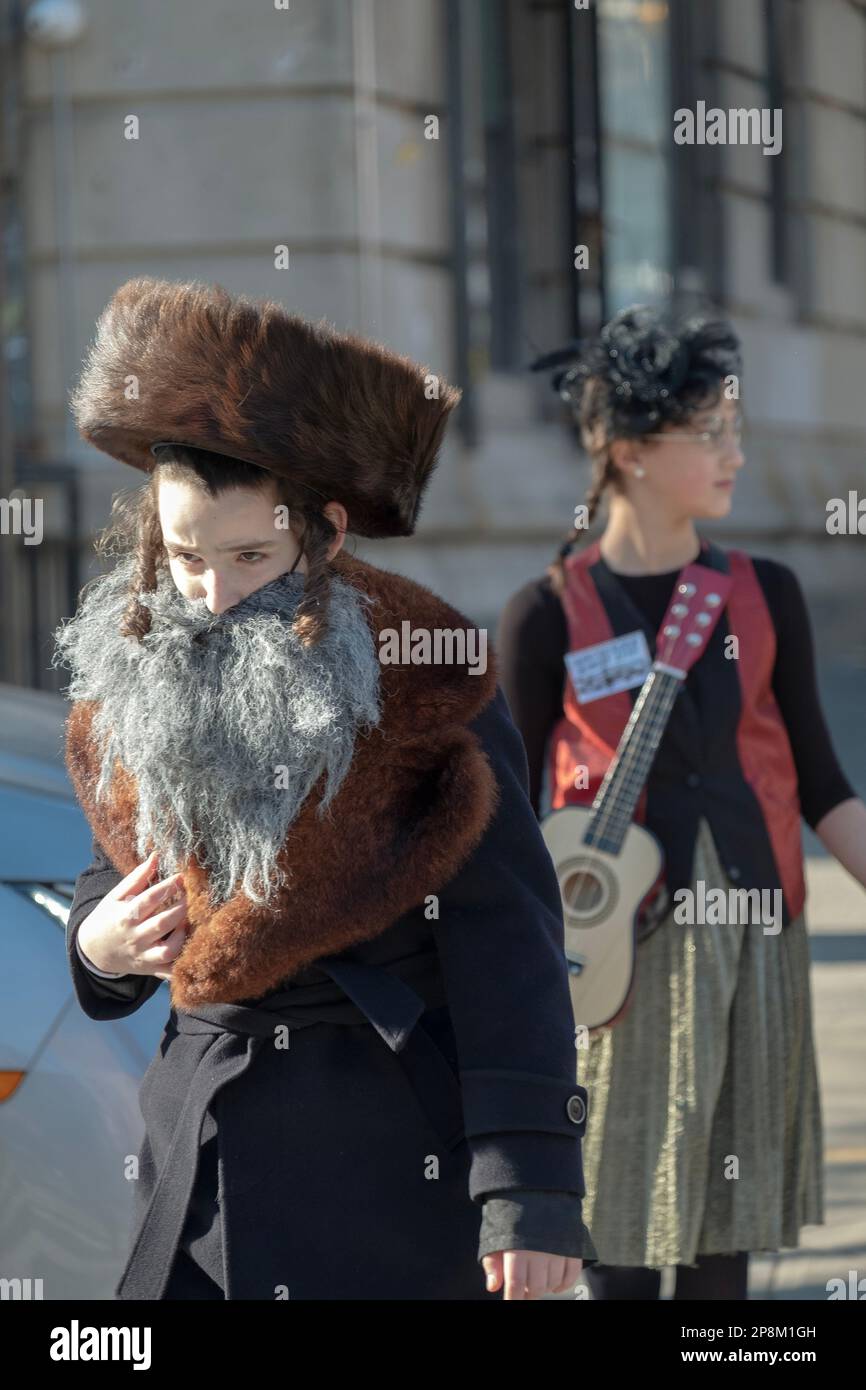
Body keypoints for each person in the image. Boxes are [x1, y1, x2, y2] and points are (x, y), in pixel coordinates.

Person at [52, 275, 600, 1302]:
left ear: (324, 532)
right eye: (184, 558)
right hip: (201, 1153)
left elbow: (508, 946)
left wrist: (528, 1191)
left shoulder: (425, 679)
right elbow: (110, 873)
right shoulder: (137, 668)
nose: (213, 594)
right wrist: (100, 945)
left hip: (385, 1156)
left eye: (249, 555)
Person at [496, 303, 866, 1301]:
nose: (732, 454)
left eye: (732, 430)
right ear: (625, 450)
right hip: (615, 961)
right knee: (614, 1231)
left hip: (751, 937)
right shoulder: (543, 613)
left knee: (720, 1239)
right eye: (706, 433)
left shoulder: (765, 590)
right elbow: (503, 818)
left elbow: (824, 784)